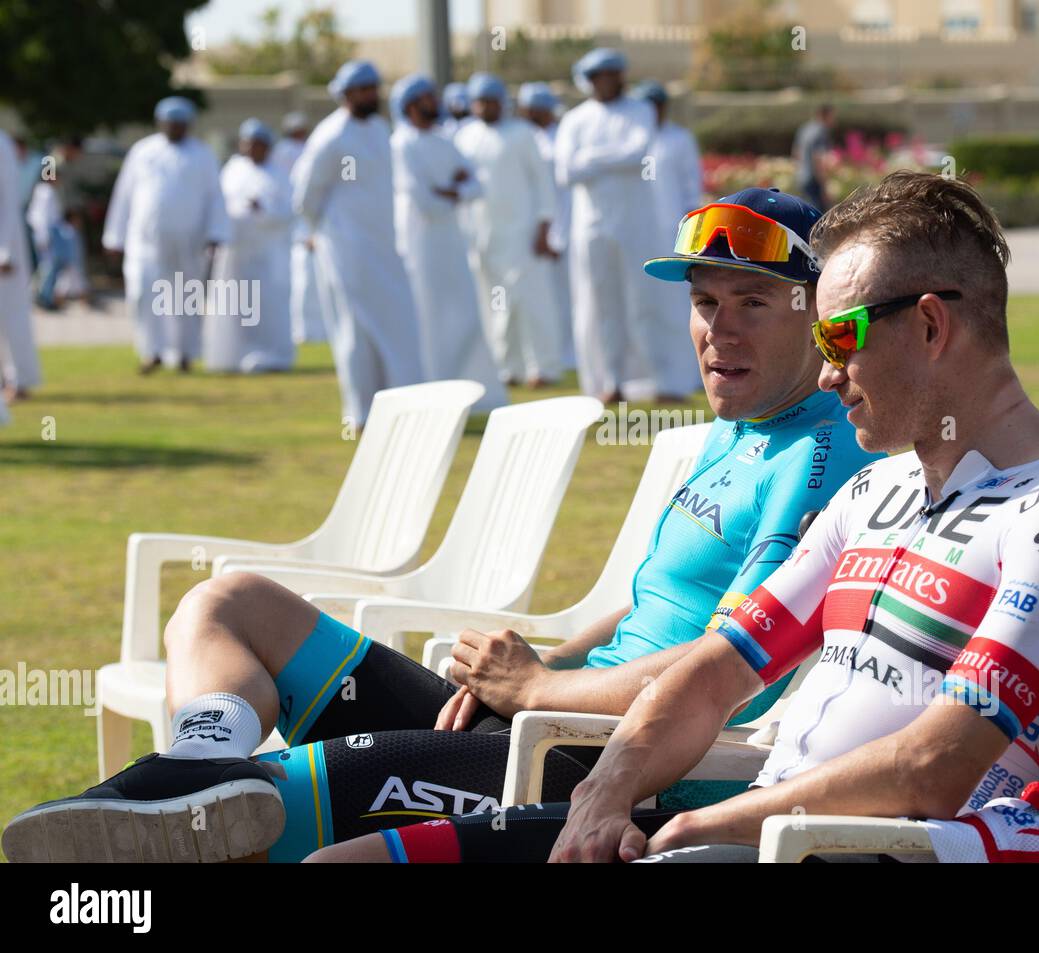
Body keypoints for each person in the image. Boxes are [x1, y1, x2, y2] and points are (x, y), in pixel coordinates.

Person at [0, 189, 883, 864]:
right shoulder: (740, 432)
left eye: (751, 304)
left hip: (605, 760)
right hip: (549, 713)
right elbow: (653, 602)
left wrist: (538, 689)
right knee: (229, 603)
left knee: (264, 809)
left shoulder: (819, 458)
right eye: (704, 303)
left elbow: (725, 671)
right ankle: (193, 766)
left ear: (817, 313)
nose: (716, 330)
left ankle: (153, 809)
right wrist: (543, 663)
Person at [337, 171, 1039, 865]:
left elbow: (935, 763)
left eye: (838, 338)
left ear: (933, 325)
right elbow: (720, 668)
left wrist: (706, 824)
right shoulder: (878, 492)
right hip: (753, 833)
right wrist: (606, 788)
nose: (828, 375)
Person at [292, 60, 424, 428]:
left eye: (372, 88)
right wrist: (324, 231)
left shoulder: (381, 128)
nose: (369, 95)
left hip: (384, 244)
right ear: (345, 95)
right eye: (361, 90)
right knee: (354, 329)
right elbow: (305, 194)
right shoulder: (332, 135)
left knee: (396, 322)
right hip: (347, 248)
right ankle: (361, 413)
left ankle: (400, 406)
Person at [554, 48, 677, 403]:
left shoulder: (639, 110)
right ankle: (610, 380)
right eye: (600, 77)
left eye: (612, 75)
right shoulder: (575, 120)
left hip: (636, 224)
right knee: (600, 305)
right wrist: (605, 159)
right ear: (591, 81)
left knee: (646, 301)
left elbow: (637, 153)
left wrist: (590, 159)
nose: (607, 83)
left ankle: (661, 381)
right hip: (591, 226)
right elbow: (566, 172)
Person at [389, 73, 506, 412]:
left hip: (451, 242)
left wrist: (451, 190)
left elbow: (477, 185)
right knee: (426, 315)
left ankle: (466, 391)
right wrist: (454, 191)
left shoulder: (443, 141)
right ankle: (428, 393)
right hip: (418, 244)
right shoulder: (402, 144)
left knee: (462, 313)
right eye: (427, 97)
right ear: (412, 105)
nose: (435, 102)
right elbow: (424, 202)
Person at [102, 97, 230, 374]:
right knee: (143, 295)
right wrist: (115, 237)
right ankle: (152, 352)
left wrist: (217, 232)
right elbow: (124, 195)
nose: (176, 129)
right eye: (171, 124)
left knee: (185, 299)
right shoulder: (143, 151)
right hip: (144, 242)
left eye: (181, 124)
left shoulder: (203, 154)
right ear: (160, 124)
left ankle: (185, 354)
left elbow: (215, 198)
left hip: (188, 242)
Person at [455, 72, 565, 388]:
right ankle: (506, 368)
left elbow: (544, 186)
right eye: (480, 102)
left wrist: (545, 228)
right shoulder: (465, 137)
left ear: (501, 103)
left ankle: (545, 367)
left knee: (533, 302)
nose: (485, 107)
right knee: (494, 304)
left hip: (524, 234)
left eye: (490, 101)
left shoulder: (522, 134)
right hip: (482, 236)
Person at [202, 119, 295, 374]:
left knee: (266, 307)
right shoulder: (232, 170)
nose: (253, 148)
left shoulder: (279, 175)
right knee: (234, 305)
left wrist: (263, 210)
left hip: (266, 255)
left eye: (258, 144)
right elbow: (217, 205)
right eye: (248, 143)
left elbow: (289, 213)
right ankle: (231, 356)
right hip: (234, 254)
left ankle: (269, 356)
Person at [631, 80, 704, 398]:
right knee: (640, 308)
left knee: (675, 310)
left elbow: (692, 188)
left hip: (674, 237)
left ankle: (681, 378)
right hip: (636, 238)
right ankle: (645, 377)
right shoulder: (630, 141)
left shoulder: (679, 139)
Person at [518, 81, 575, 372]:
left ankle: (568, 354)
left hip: (560, 227)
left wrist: (556, 233)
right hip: (536, 227)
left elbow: (561, 195)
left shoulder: (558, 138)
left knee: (565, 296)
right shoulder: (528, 137)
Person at [270, 111, 329, 346]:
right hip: (298, 228)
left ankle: (319, 331)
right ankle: (301, 330)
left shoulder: (310, 151)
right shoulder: (284, 151)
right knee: (302, 284)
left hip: (315, 226)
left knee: (317, 284)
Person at [0, 128, 42, 401]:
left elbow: (6, 202)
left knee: (11, 316)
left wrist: (4, 251)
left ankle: (20, 380)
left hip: (6, 248)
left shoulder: (1, 143)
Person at [28, 137, 90, 310]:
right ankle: (42, 296)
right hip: (49, 229)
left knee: (53, 266)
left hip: (56, 225)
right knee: (47, 267)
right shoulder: (49, 179)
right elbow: (40, 215)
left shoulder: (52, 185)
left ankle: (48, 296)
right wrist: (44, 236)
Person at [793, 103, 835, 211]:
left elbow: (796, 152)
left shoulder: (804, 128)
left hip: (801, 177)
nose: (833, 120)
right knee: (818, 216)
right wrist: (824, 186)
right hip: (813, 179)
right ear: (825, 115)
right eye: (832, 116)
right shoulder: (821, 131)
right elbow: (818, 158)